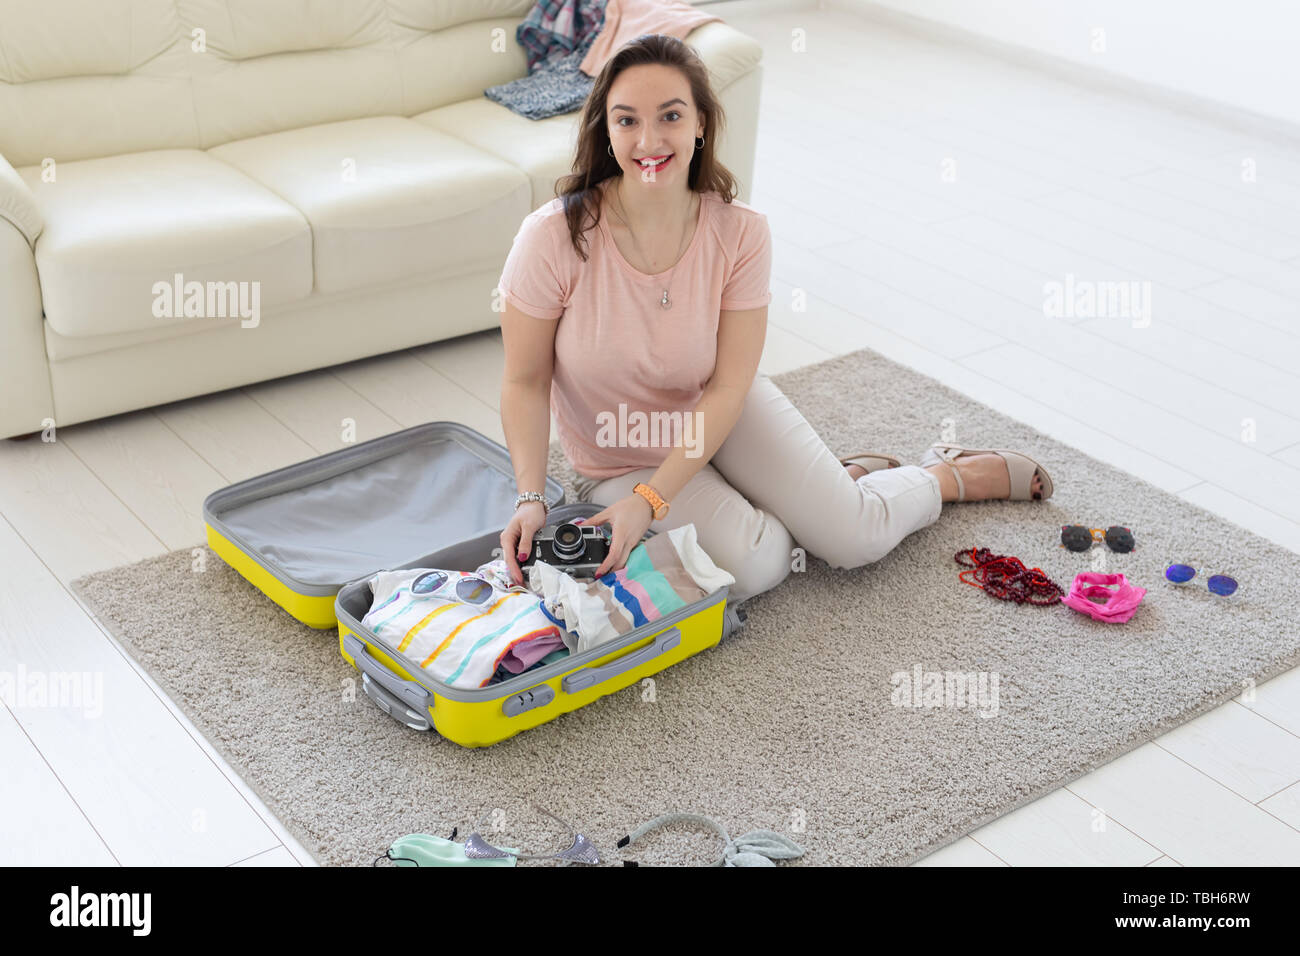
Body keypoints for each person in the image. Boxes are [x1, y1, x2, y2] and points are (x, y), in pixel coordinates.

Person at [496, 34, 1052, 605]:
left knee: (856, 538)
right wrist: (531, 497)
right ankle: (834, 491)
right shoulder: (553, 237)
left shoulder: (741, 232)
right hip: (622, 452)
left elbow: (731, 385)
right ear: (606, 132)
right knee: (757, 566)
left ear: (701, 124)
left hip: (722, 409)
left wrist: (654, 502)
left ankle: (943, 477)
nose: (649, 140)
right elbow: (525, 381)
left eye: (670, 116)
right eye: (627, 120)